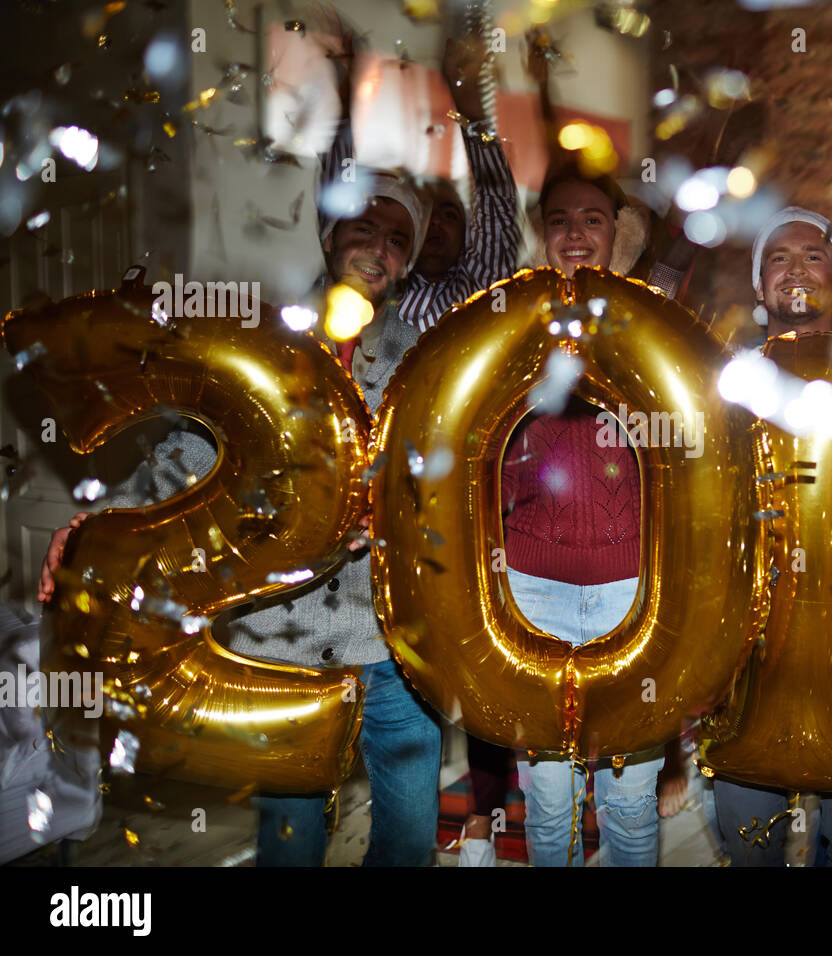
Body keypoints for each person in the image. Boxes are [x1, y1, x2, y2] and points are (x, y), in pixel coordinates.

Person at [40, 172, 444, 868]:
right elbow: (185, 458)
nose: (378, 249)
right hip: (275, 650)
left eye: (398, 239)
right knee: (288, 848)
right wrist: (94, 524)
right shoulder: (265, 340)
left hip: (392, 652)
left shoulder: (426, 360)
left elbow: (446, 484)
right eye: (363, 230)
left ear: (408, 261)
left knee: (408, 843)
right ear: (329, 237)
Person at [710, 207, 832, 867]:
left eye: (814, 256)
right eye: (778, 258)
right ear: (760, 286)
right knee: (750, 846)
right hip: (752, 654)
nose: (796, 270)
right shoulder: (728, 382)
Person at [494, 167, 665, 867]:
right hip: (533, 590)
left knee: (629, 802)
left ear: (615, 233)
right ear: (542, 232)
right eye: (560, 219)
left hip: (633, 594)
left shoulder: (650, 325)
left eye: (593, 219)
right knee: (548, 801)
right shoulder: (506, 327)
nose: (576, 233)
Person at [315, 14, 521, 332]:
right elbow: (338, 197)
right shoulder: (292, 316)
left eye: (449, 214)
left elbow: (495, 207)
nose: (434, 222)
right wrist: (344, 94)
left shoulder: (468, 300)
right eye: (365, 230)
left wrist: (468, 100)